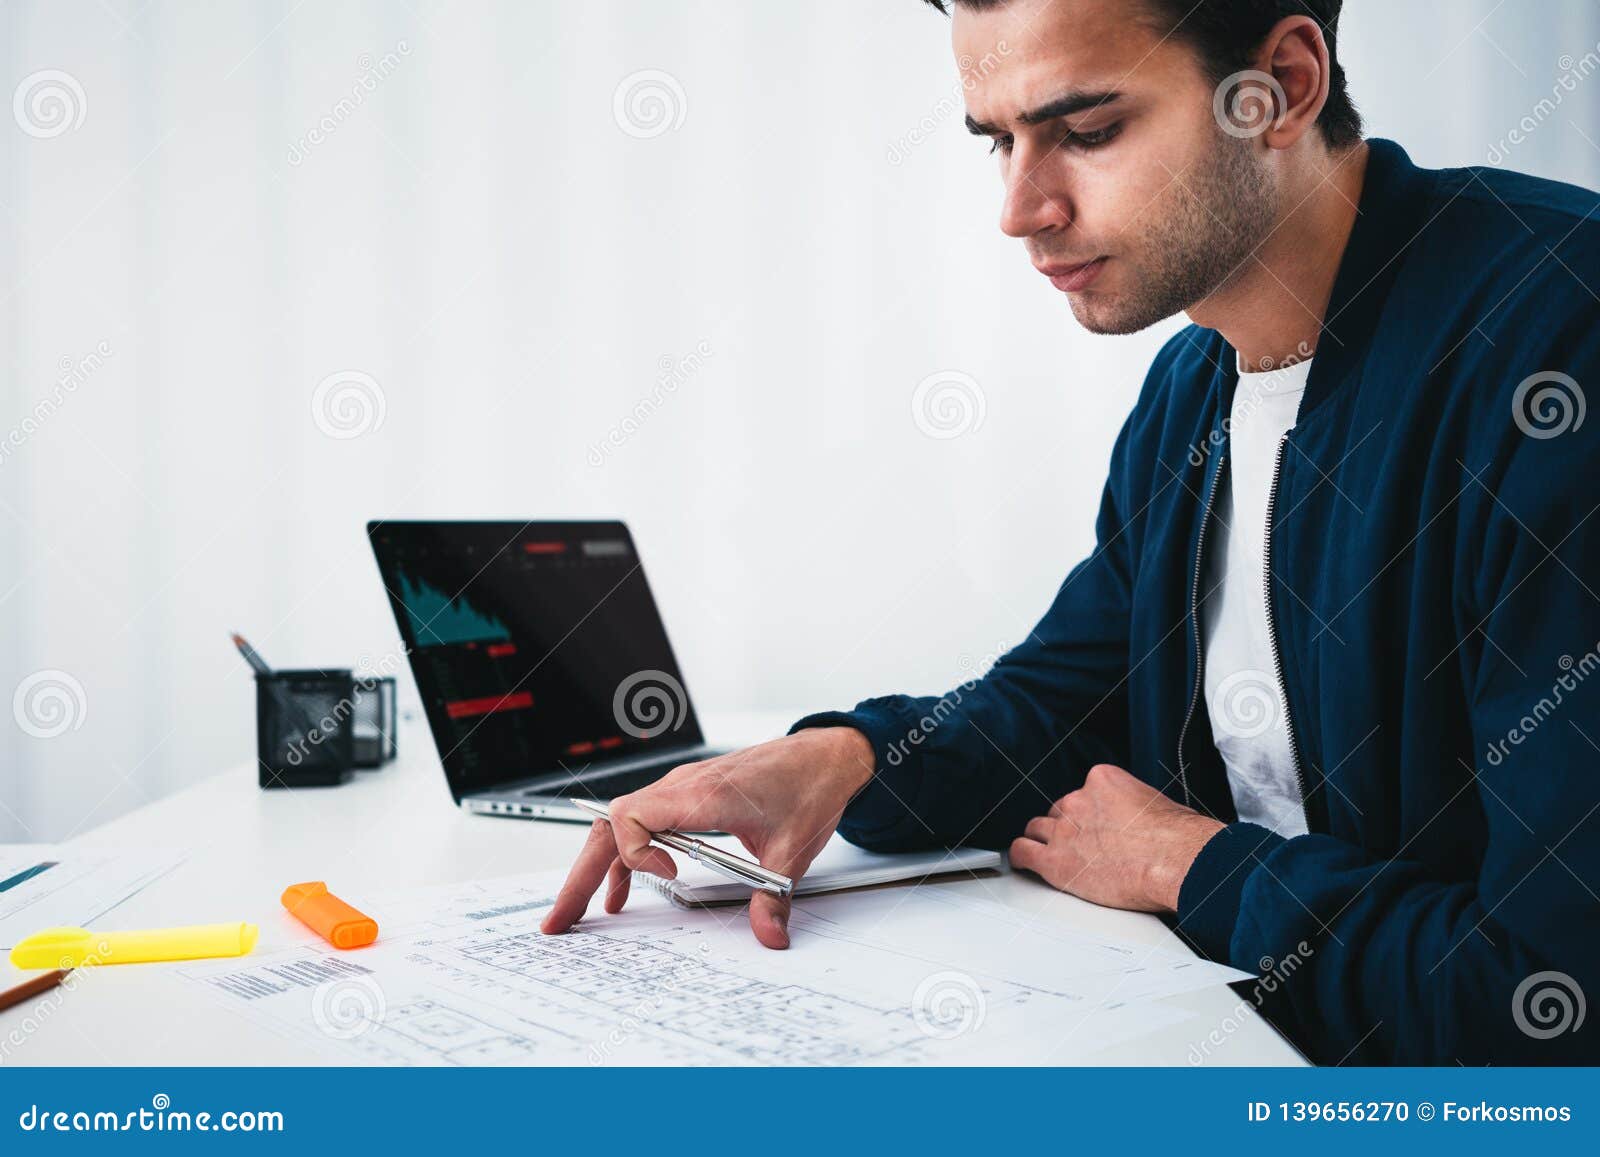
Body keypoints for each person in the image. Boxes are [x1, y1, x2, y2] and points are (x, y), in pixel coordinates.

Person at [544, 0, 1600, 1064]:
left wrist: (1191, 865)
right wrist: (845, 758)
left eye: (1087, 131)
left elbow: (1547, 993)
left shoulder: (1561, 350)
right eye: (997, 140)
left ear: (1279, 85)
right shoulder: (1190, 389)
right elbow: (1068, 699)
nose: (1020, 208)